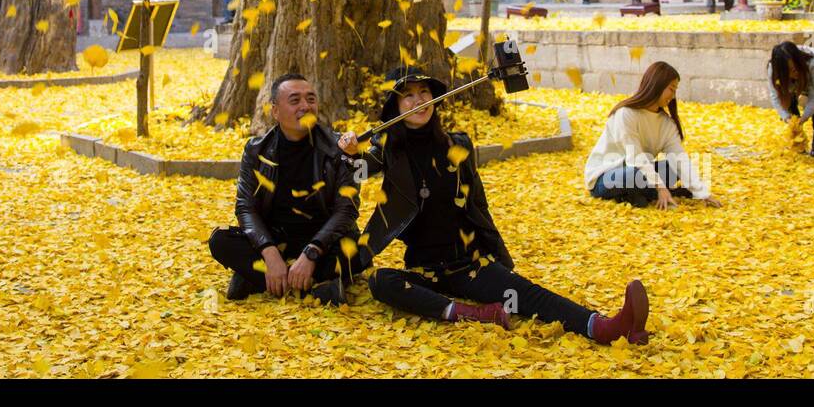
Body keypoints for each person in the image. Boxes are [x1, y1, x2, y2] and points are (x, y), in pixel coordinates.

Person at [338, 67, 651, 345]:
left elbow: (477, 203)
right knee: (382, 282)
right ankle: (472, 314)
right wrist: (351, 152)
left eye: (424, 92)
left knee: (526, 295)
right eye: (407, 96)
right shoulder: (387, 150)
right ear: (394, 107)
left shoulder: (457, 145)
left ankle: (605, 327)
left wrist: (496, 256)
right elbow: (360, 169)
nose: (419, 100)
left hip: (470, 265)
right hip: (424, 272)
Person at [208, 73, 363, 304]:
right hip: (275, 237)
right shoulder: (256, 150)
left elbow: (347, 210)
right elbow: (245, 207)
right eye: (295, 100)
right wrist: (269, 254)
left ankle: (257, 280)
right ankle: (318, 288)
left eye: (311, 99)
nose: (305, 106)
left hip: (324, 241)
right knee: (220, 241)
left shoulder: (339, 147)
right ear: (275, 111)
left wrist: (312, 252)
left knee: (361, 249)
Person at [585, 62, 721, 209]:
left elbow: (679, 159)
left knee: (673, 167)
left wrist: (702, 193)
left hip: (640, 174)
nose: (673, 96)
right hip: (605, 178)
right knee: (633, 173)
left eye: (675, 90)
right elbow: (635, 157)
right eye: (671, 89)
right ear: (657, 85)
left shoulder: (666, 124)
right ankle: (647, 193)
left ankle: (637, 194)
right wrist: (661, 187)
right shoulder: (626, 113)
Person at [766, 41, 814, 157]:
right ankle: (798, 138)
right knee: (788, 96)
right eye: (790, 70)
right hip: (792, 79)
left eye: (795, 67)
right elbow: (775, 96)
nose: (794, 71)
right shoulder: (773, 69)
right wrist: (788, 119)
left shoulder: (813, 63)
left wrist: (805, 117)